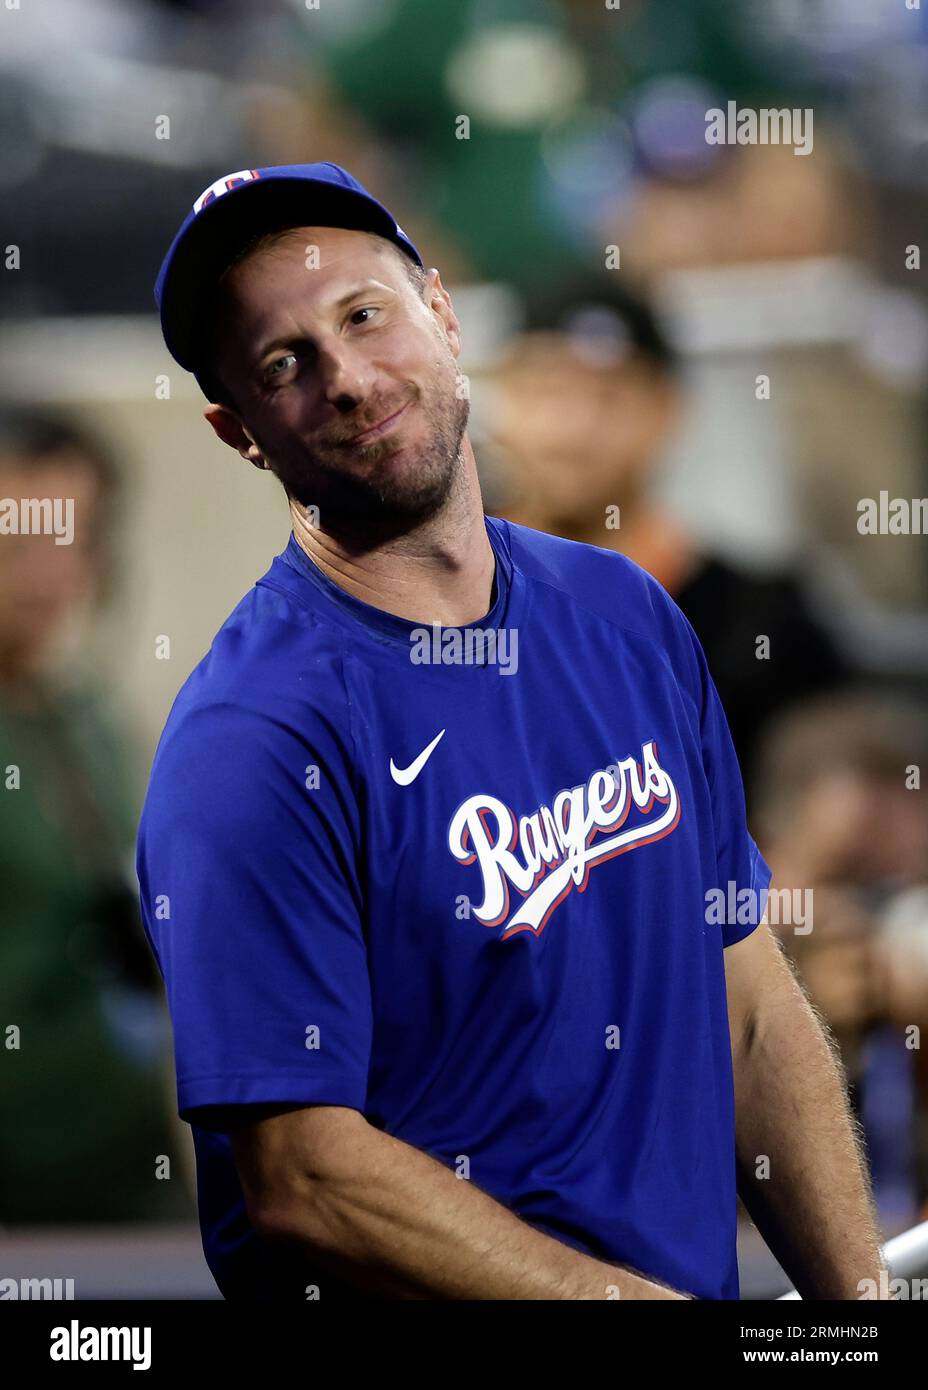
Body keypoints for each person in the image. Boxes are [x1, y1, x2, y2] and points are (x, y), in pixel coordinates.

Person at [138, 162, 886, 1301]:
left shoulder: (625, 612)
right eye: (287, 364)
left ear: (440, 313)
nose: (346, 379)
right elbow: (304, 1177)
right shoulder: (251, 741)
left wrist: (854, 1312)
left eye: (364, 315)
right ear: (239, 430)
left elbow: (748, 1012)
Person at [490, 274, 851, 790]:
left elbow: (817, 816)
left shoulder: (759, 623)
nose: (573, 429)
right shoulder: (427, 595)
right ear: (501, 396)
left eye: (608, 398)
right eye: (546, 389)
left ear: (667, 410)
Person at [0, 408, 191, 1224]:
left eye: (70, 543)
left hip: (121, 1198)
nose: (45, 578)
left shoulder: (87, 722)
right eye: (15, 544)